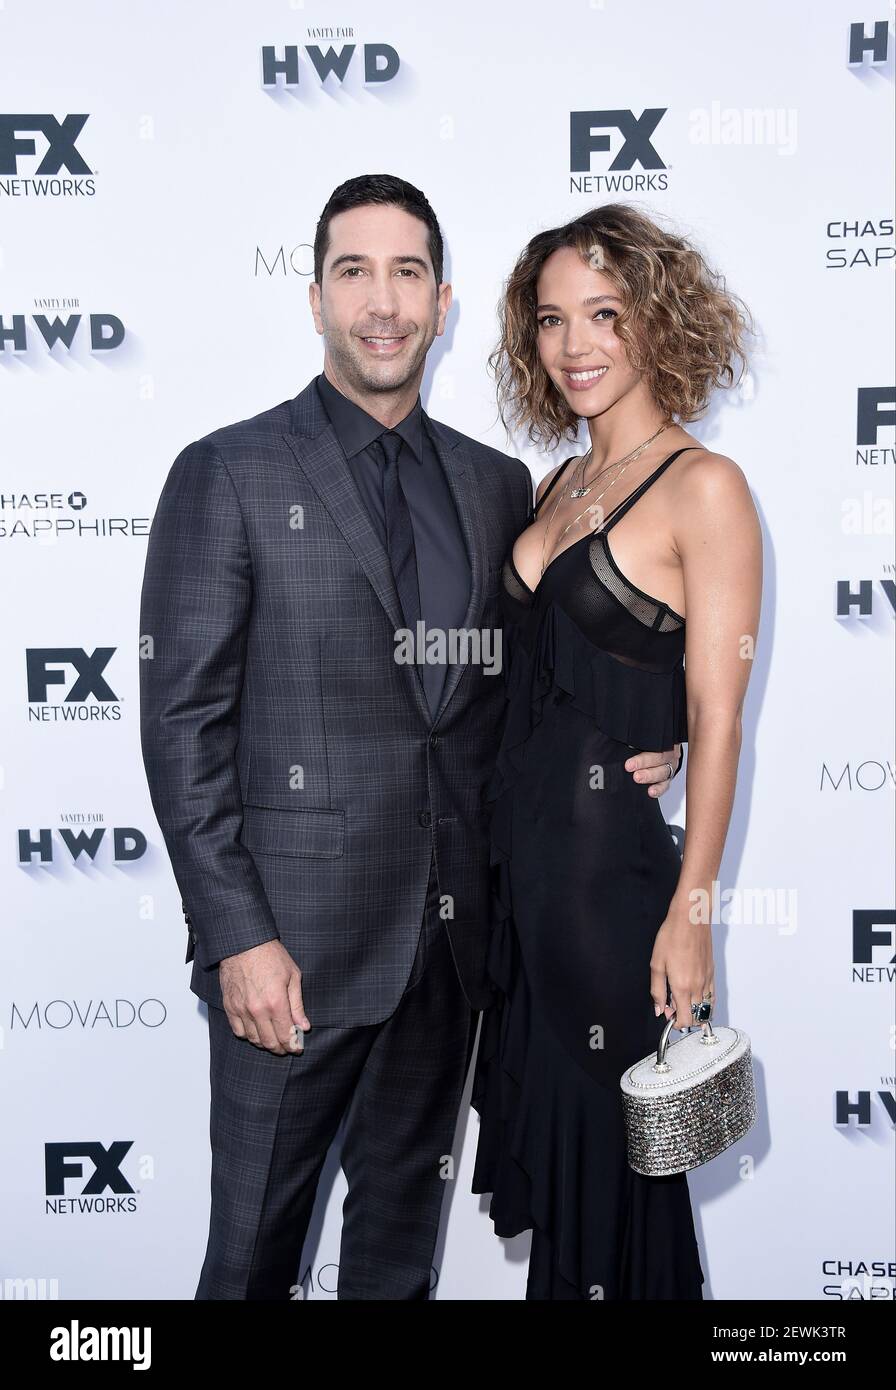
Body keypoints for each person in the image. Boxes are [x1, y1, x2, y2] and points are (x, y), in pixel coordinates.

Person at [138, 175, 682, 1301]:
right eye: (352, 272)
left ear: (441, 304)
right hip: (287, 962)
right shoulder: (228, 472)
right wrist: (237, 936)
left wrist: (654, 724)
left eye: (404, 275)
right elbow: (181, 723)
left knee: (395, 1263)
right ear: (315, 298)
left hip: (449, 956)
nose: (380, 303)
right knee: (249, 1259)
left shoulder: (496, 490)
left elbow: (536, 676)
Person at [471, 202, 762, 1300]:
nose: (575, 344)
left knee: (618, 1176)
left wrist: (692, 916)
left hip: (611, 897)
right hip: (524, 886)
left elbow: (721, 712)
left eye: (602, 312)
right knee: (569, 1180)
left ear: (655, 318)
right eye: (551, 320)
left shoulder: (704, 487)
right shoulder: (552, 486)